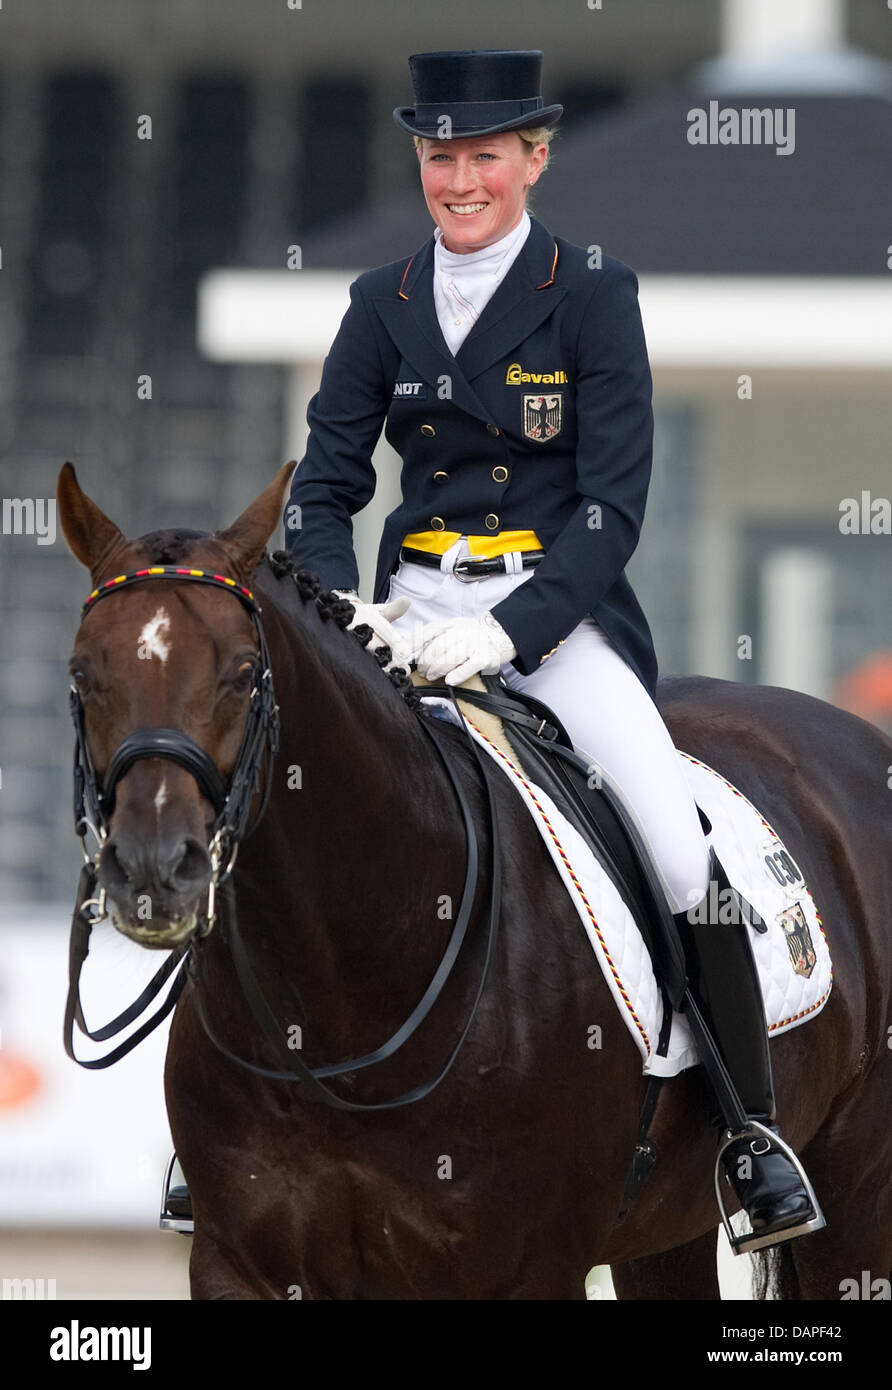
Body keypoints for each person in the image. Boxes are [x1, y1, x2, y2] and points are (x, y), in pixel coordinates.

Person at [276, 50, 820, 1251]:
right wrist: (336, 608)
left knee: (677, 849)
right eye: (438, 157)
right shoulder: (381, 302)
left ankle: (748, 1136)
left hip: (551, 622)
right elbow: (323, 487)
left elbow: (611, 508)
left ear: (531, 157)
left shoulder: (592, 292)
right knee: (281, 811)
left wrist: (507, 630)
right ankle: (225, 1121)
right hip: (407, 615)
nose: (458, 179)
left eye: (482, 156)